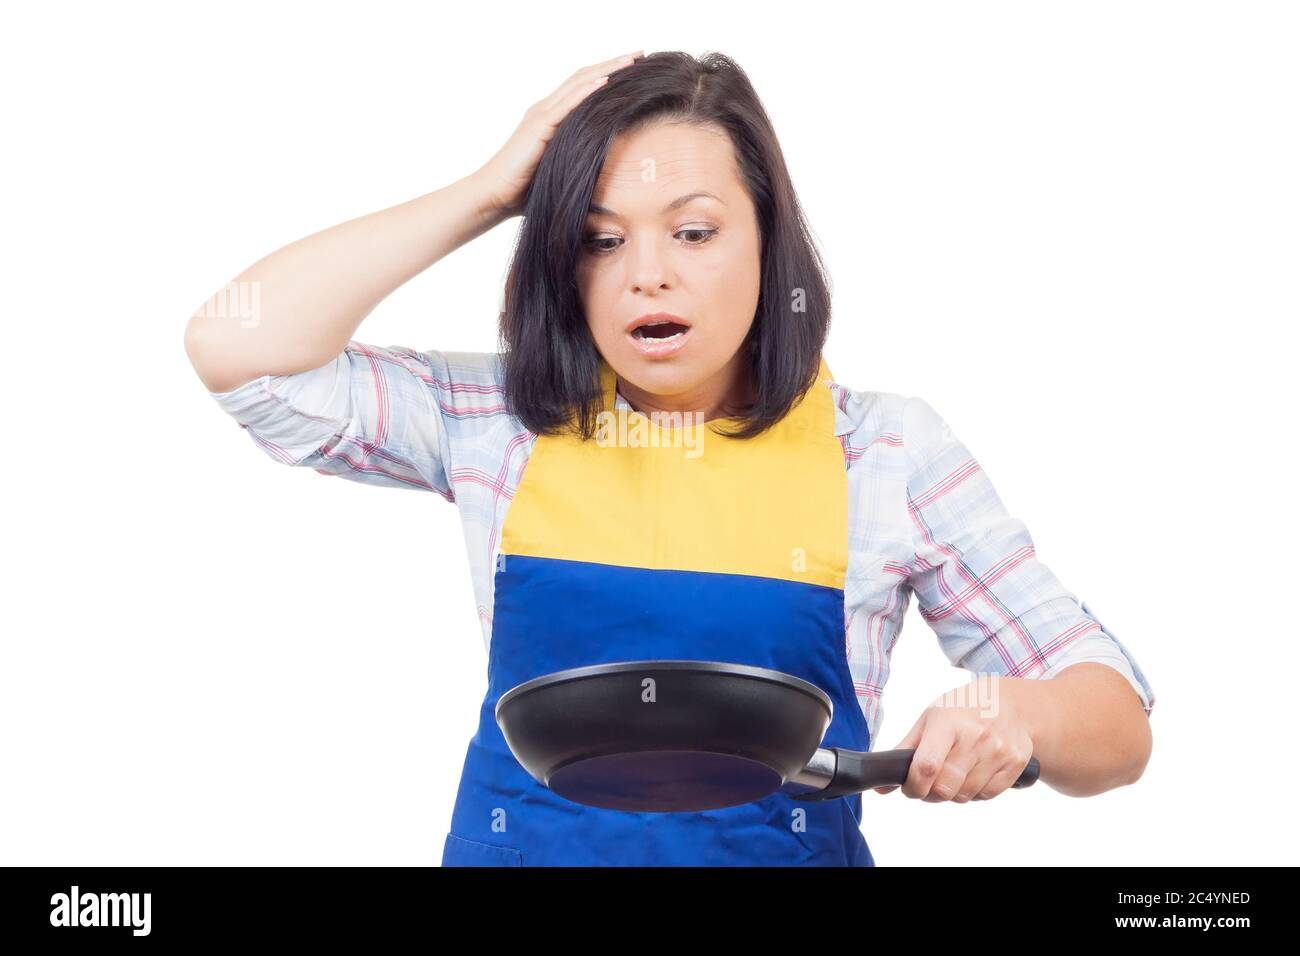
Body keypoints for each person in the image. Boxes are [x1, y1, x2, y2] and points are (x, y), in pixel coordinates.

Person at [183, 50, 1155, 867]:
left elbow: (1115, 718)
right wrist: (488, 192)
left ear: (769, 239)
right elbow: (236, 347)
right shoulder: (500, 419)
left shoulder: (884, 452)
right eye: (600, 239)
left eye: (693, 231)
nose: (646, 273)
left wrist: (1020, 712)